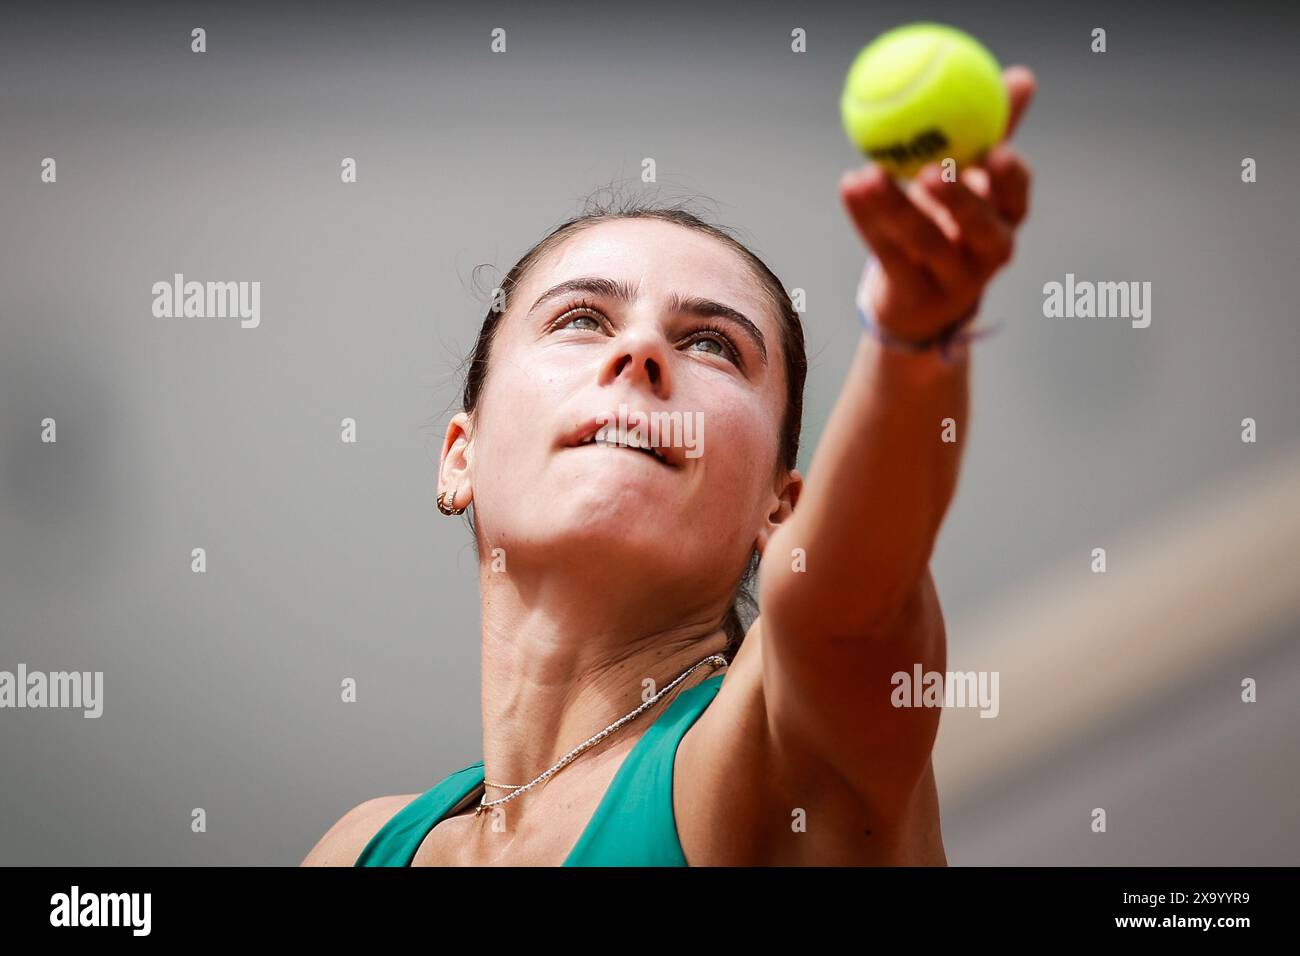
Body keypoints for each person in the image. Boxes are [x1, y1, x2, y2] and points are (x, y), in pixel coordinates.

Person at [303, 66, 1036, 867]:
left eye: (713, 344)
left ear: (781, 511)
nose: (641, 350)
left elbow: (851, 595)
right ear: (460, 456)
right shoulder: (355, 848)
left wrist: (913, 344)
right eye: (581, 318)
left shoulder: (779, 754)